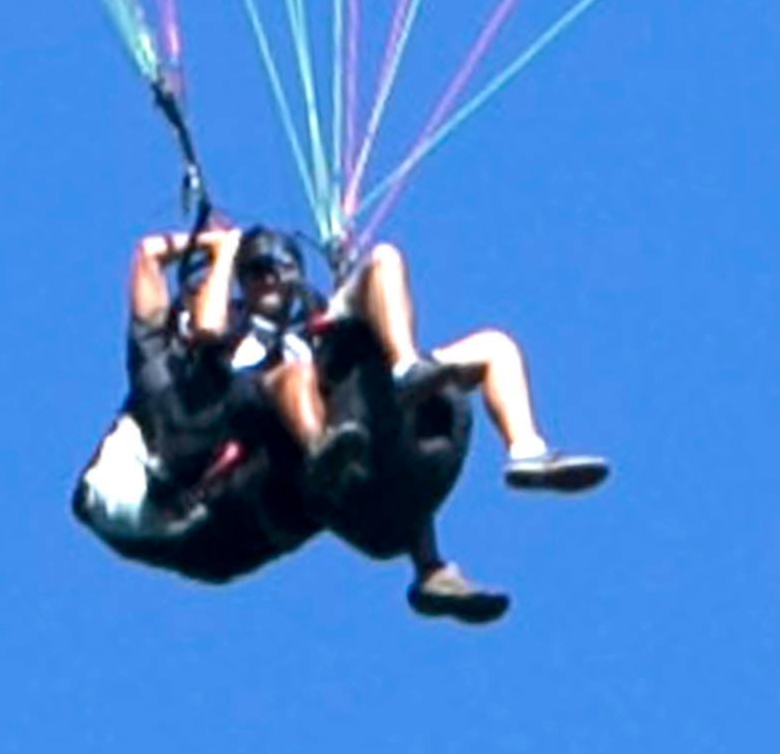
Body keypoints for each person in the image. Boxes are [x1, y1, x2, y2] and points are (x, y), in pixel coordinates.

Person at [258, 237, 608, 628]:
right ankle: (406, 371)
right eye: (258, 270)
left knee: (496, 347)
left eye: (281, 268)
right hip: (330, 421)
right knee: (385, 258)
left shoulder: (316, 308)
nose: (272, 279)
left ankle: (526, 453)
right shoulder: (244, 334)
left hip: (370, 406)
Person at [71, 219, 319, 586]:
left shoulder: (276, 366)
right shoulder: (158, 355)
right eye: (251, 273)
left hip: (207, 539)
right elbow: (149, 255)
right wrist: (221, 246)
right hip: (123, 496)